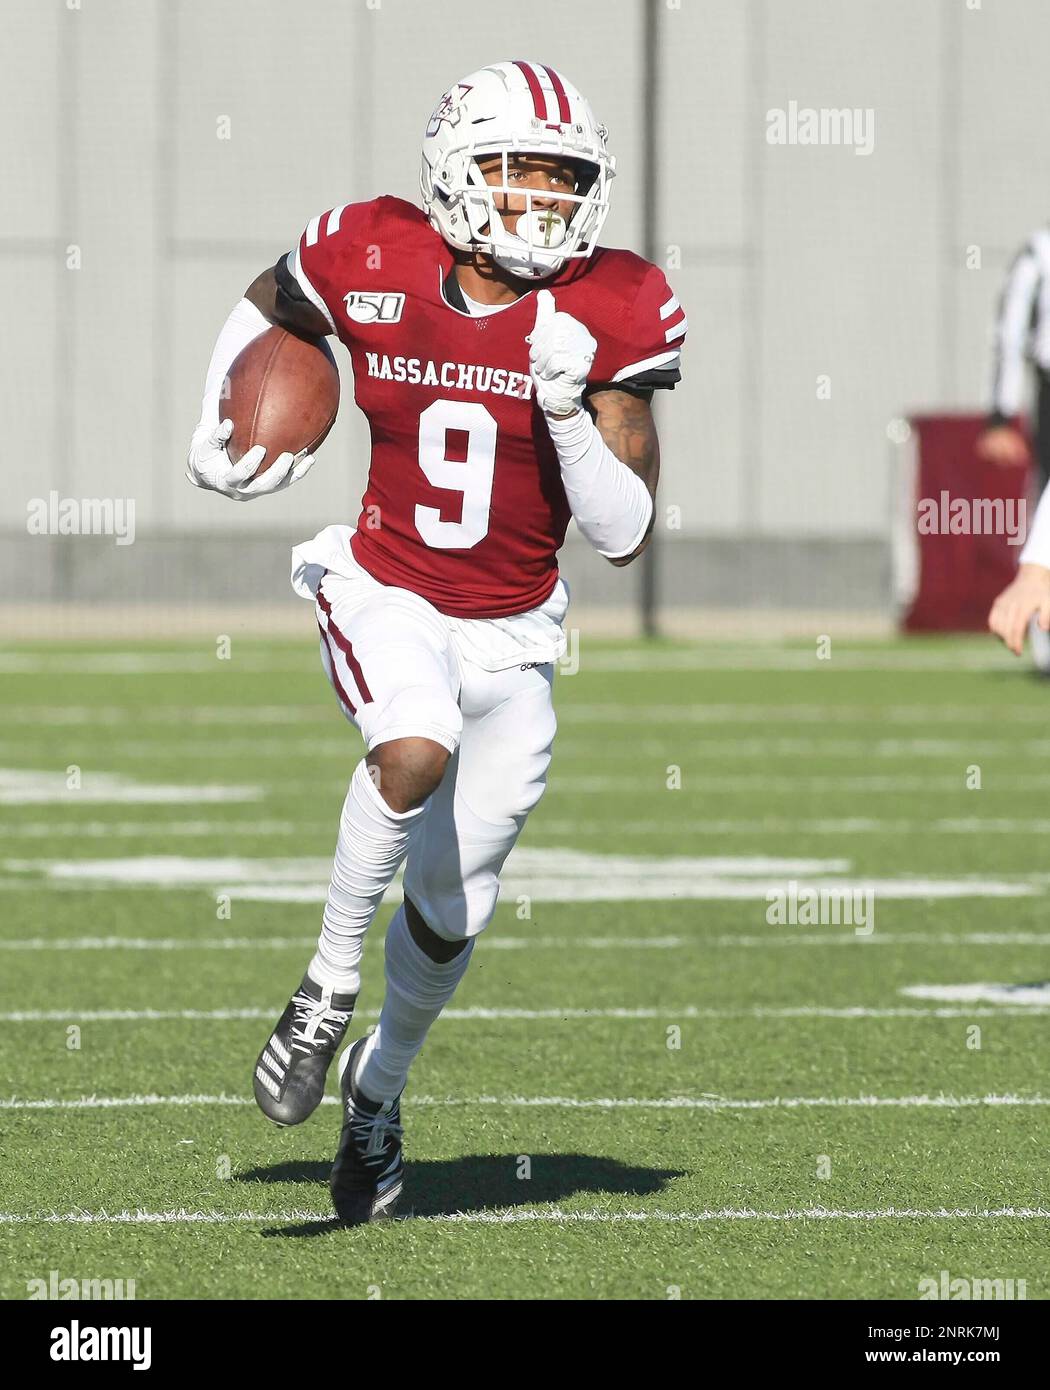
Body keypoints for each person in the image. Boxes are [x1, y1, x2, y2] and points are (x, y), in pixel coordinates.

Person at [185, 60, 687, 1224]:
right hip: (386, 584)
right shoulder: (372, 248)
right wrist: (212, 419)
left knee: (455, 907)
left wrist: (566, 412)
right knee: (410, 744)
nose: (547, 206)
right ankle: (322, 989)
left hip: (514, 630)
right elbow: (275, 300)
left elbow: (624, 535)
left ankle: (378, 1090)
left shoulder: (614, 303)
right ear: (458, 178)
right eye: (521, 178)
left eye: (567, 182)